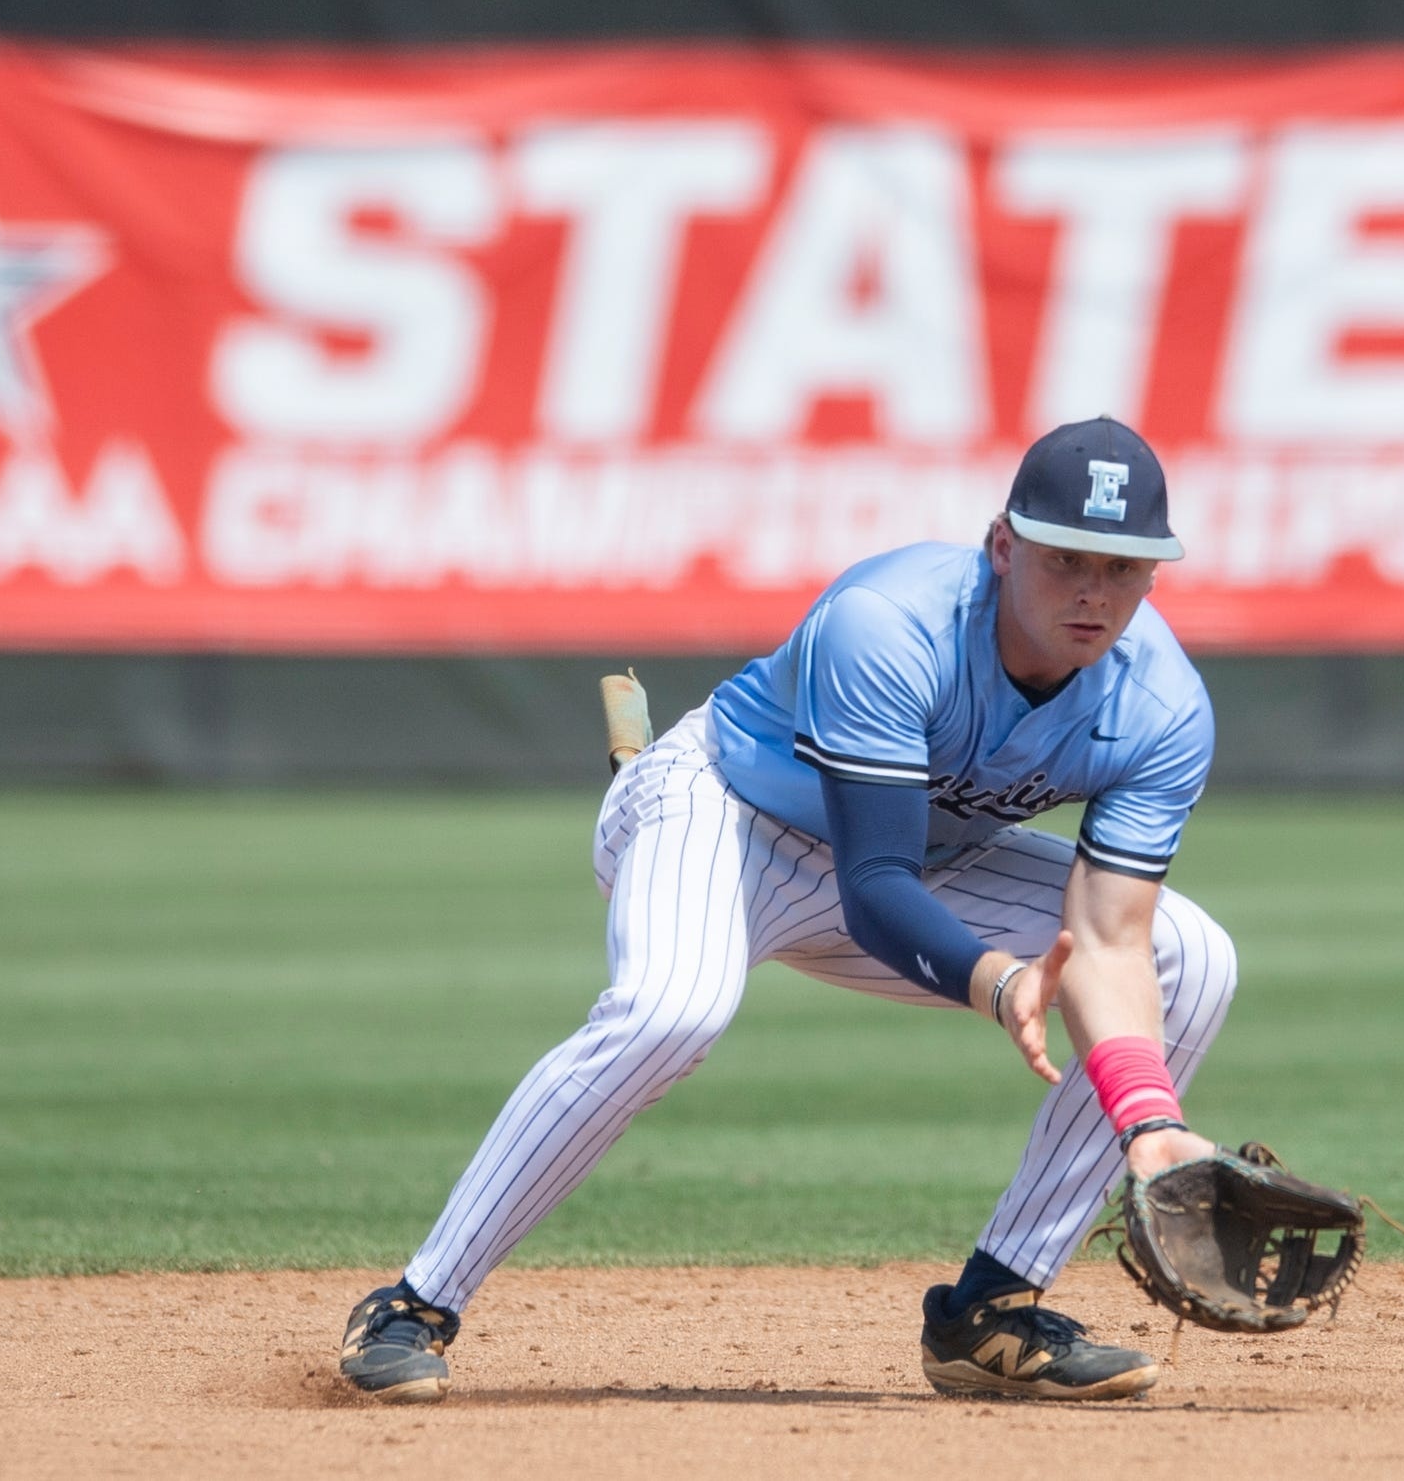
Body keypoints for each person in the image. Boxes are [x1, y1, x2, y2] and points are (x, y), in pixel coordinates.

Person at [339, 416, 1236, 1404]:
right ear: (1002, 544)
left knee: (1190, 956)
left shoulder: (1160, 705)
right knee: (670, 1010)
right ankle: (413, 1302)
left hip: (927, 861)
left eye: (1123, 566)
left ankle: (990, 1310)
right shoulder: (890, 622)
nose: (1093, 592)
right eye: (1066, 558)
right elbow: (874, 888)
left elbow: (1109, 937)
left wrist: (1146, 1122)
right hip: (727, 816)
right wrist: (1001, 981)